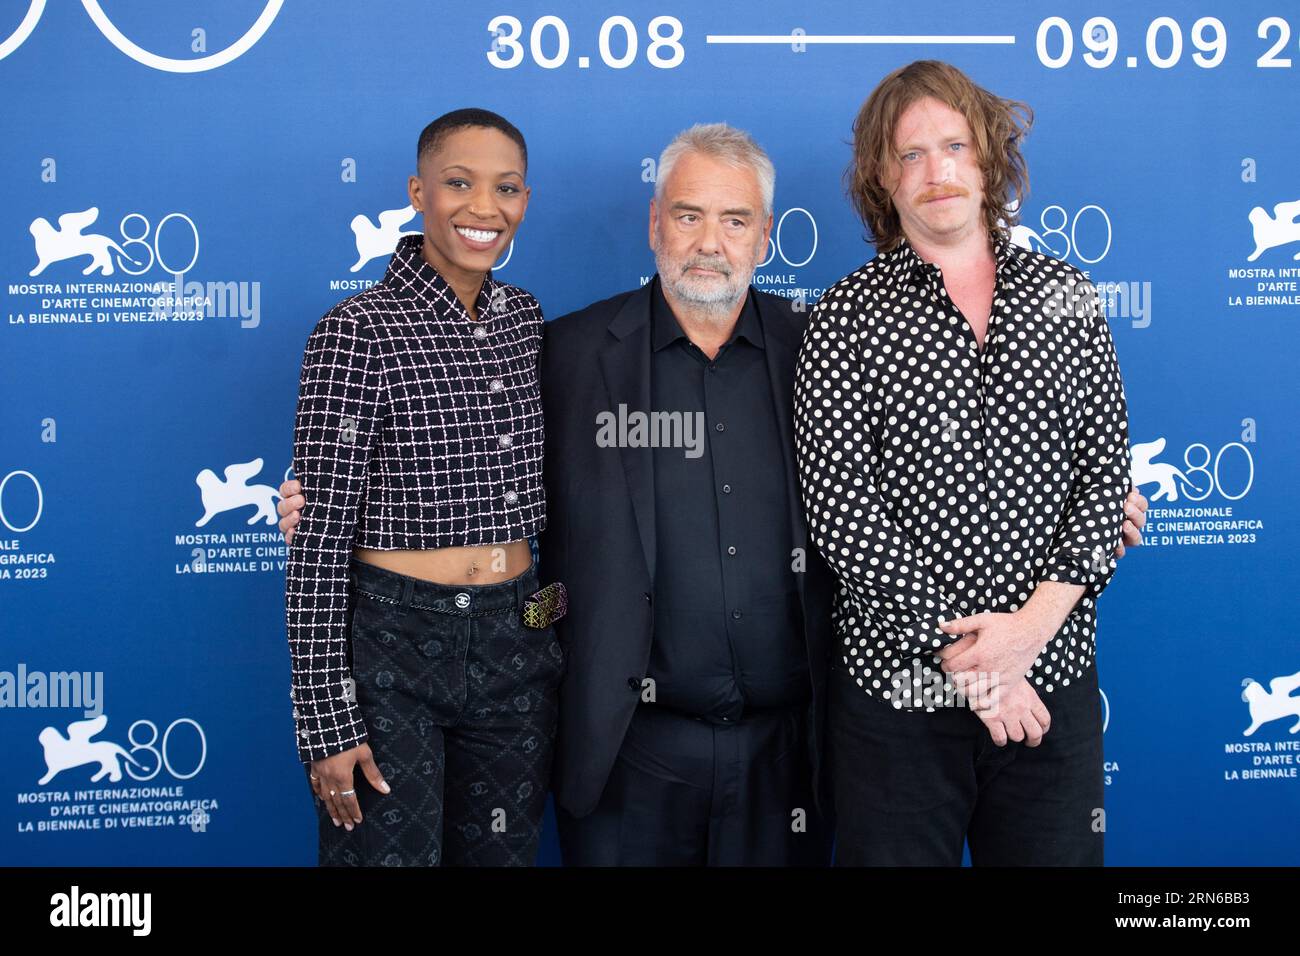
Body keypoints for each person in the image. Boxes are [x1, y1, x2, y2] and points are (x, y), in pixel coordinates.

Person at [280, 120, 1149, 866]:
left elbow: (928, 471)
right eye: (689, 214)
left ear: (765, 236)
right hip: (629, 754)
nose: (710, 241)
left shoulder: (827, 345)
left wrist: (1096, 502)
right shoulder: (568, 352)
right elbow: (478, 437)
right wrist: (326, 493)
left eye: (735, 220)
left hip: (790, 758)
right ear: (655, 223)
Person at [794, 60, 1133, 865]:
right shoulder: (843, 317)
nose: (936, 171)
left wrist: (1027, 635)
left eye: (954, 146)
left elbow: (1104, 480)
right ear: (882, 176)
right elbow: (845, 514)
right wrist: (979, 667)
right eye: (910, 154)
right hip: (898, 702)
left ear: (988, 158)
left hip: (1050, 687)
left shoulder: (1068, 295)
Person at [283, 108, 563, 867]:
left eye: (504, 187)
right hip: (392, 650)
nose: (483, 208)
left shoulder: (528, 321)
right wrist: (325, 722)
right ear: (417, 192)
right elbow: (317, 543)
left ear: (525, 202)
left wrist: (547, 617)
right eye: (458, 183)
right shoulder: (356, 331)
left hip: (518, 642)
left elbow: (571, 495)